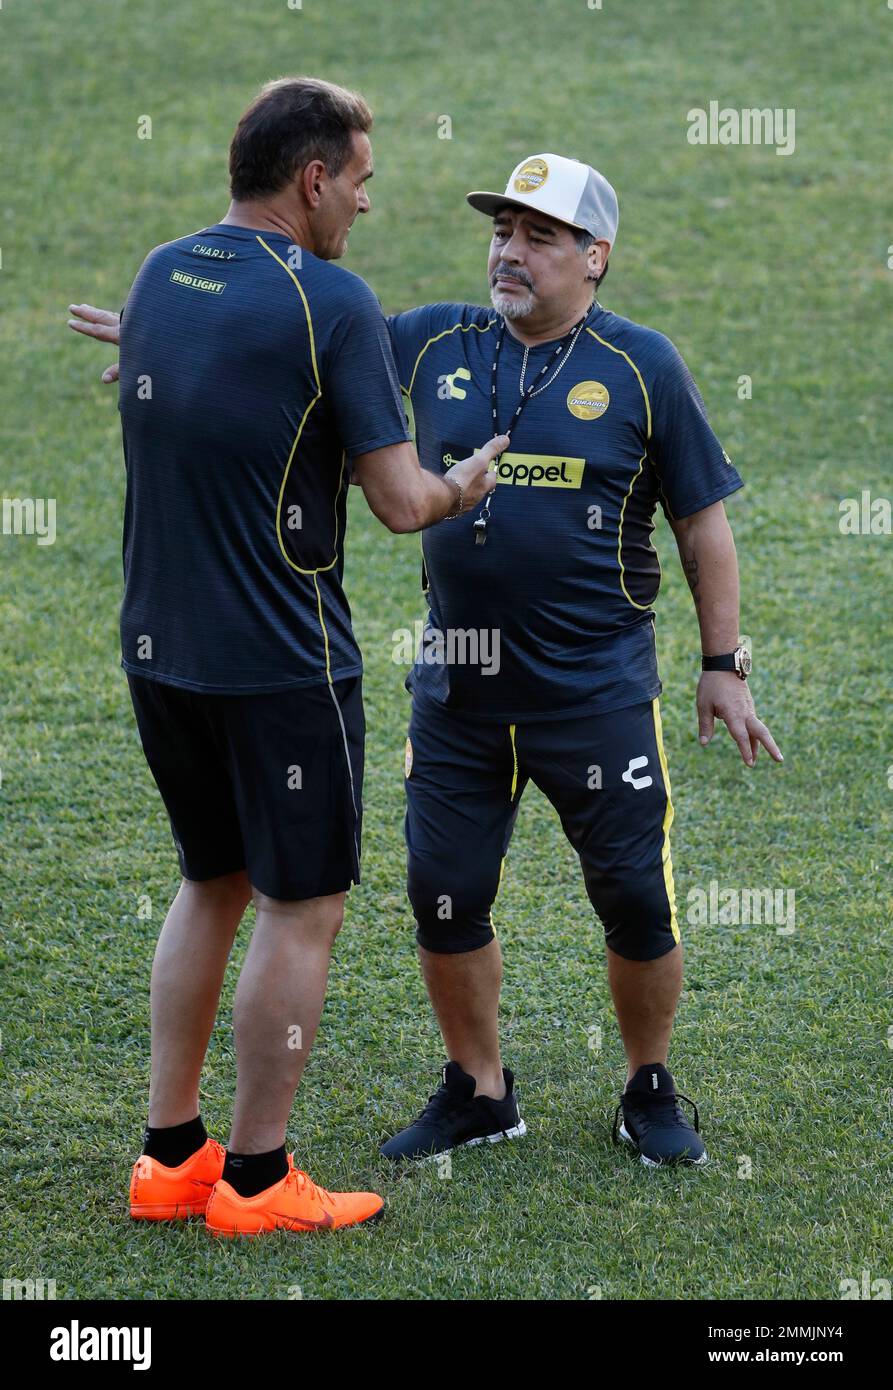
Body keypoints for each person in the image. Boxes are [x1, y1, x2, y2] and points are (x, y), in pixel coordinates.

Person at [68, 76, 503, 1236]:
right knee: (300, 906)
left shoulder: (162, 273)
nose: (364, 204)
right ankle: (257, 1179)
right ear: (312, 179)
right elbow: (401, 502)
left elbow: (198, 379)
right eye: (358, 181)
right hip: (280, 662)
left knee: (210, 879)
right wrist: (467, 481)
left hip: (158, 649)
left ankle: (170, 1157)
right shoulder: (332, 303)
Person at [377, 153, 782, 1167]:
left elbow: (701, 522)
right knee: (442, 891)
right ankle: (477, 1089)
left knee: (635, 899)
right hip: (457, 689)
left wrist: (720, 661)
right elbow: (310, 360)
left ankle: (647, 1083)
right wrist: (185, 339)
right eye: (501, 232)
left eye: (537, 237)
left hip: (594, 692)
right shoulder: (432, 340)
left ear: (593, 256)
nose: (507, 253)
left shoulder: (641, 365)